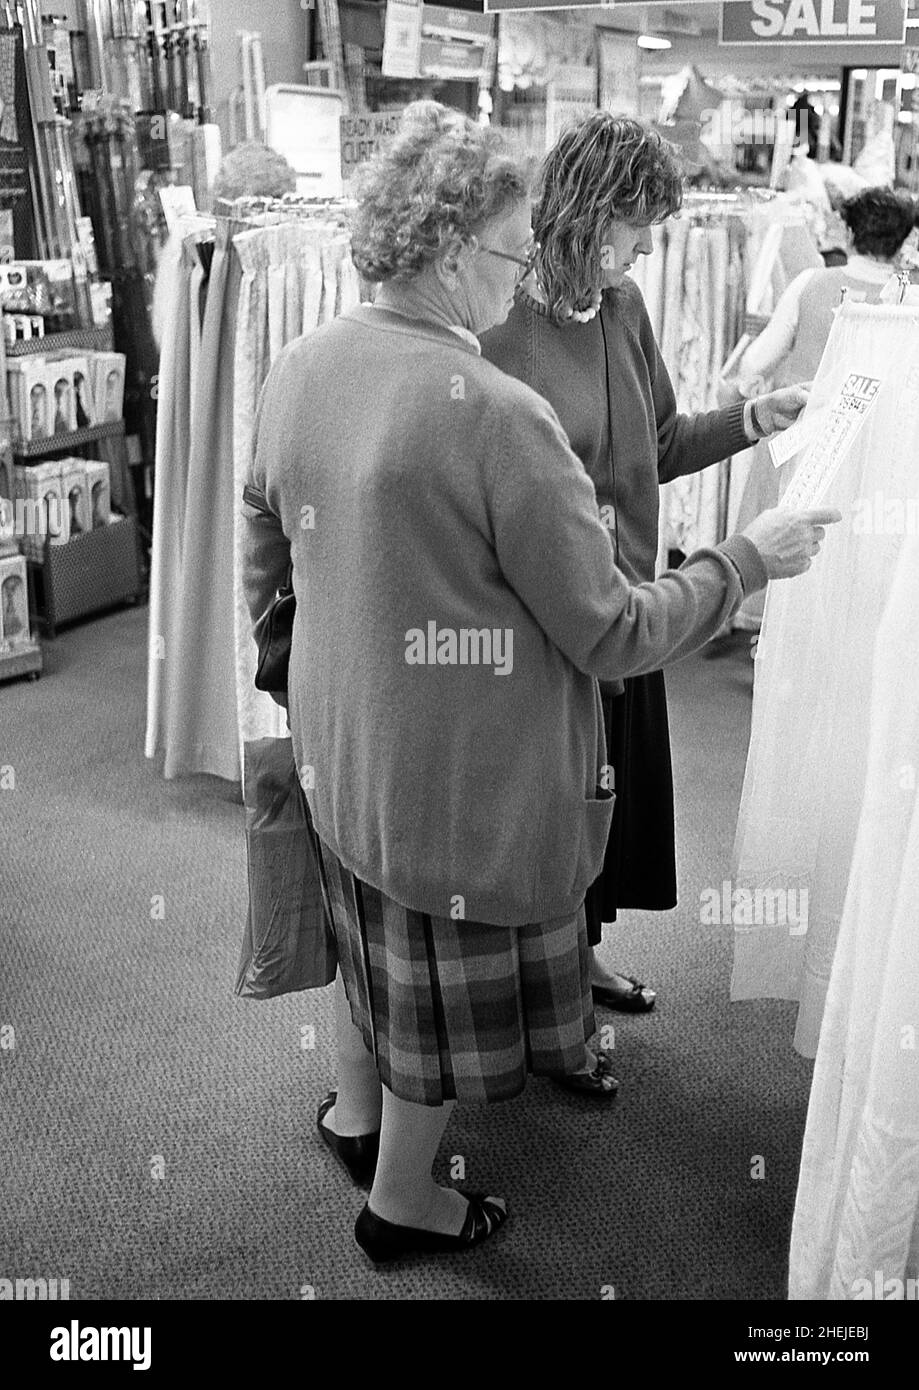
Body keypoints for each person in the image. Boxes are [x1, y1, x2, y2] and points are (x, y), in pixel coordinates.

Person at [242, 101, 835, 1264]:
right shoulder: (500, 416)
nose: (521, 283)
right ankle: (403, 1203)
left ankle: (354, 1119)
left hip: (343, 735)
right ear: (458, 251)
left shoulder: (305, 363)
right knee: (428, 958)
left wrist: (293, 663)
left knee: (367, 921)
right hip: (458, 764)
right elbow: (613, 629)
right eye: (512, 254)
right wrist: (747, 560)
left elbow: (266, 529)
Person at [481, 113, 809, 1044]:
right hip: (546, 624)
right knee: (551, 817)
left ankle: (576, 968)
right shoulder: (500, 328)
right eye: (636, 224)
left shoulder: (622, 309)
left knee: (606, 809)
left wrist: (751, 420)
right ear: (589, 213)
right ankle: (546, 1020)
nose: (645, 244)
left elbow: (657, 443)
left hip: (630, 609)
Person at [723, 184, 917, 631]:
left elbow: (756, 363)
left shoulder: (812, 284)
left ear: (849, 233)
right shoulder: (909, 297)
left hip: (801, 440)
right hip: (876, 451)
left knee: (785, 542)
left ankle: (771, 642)